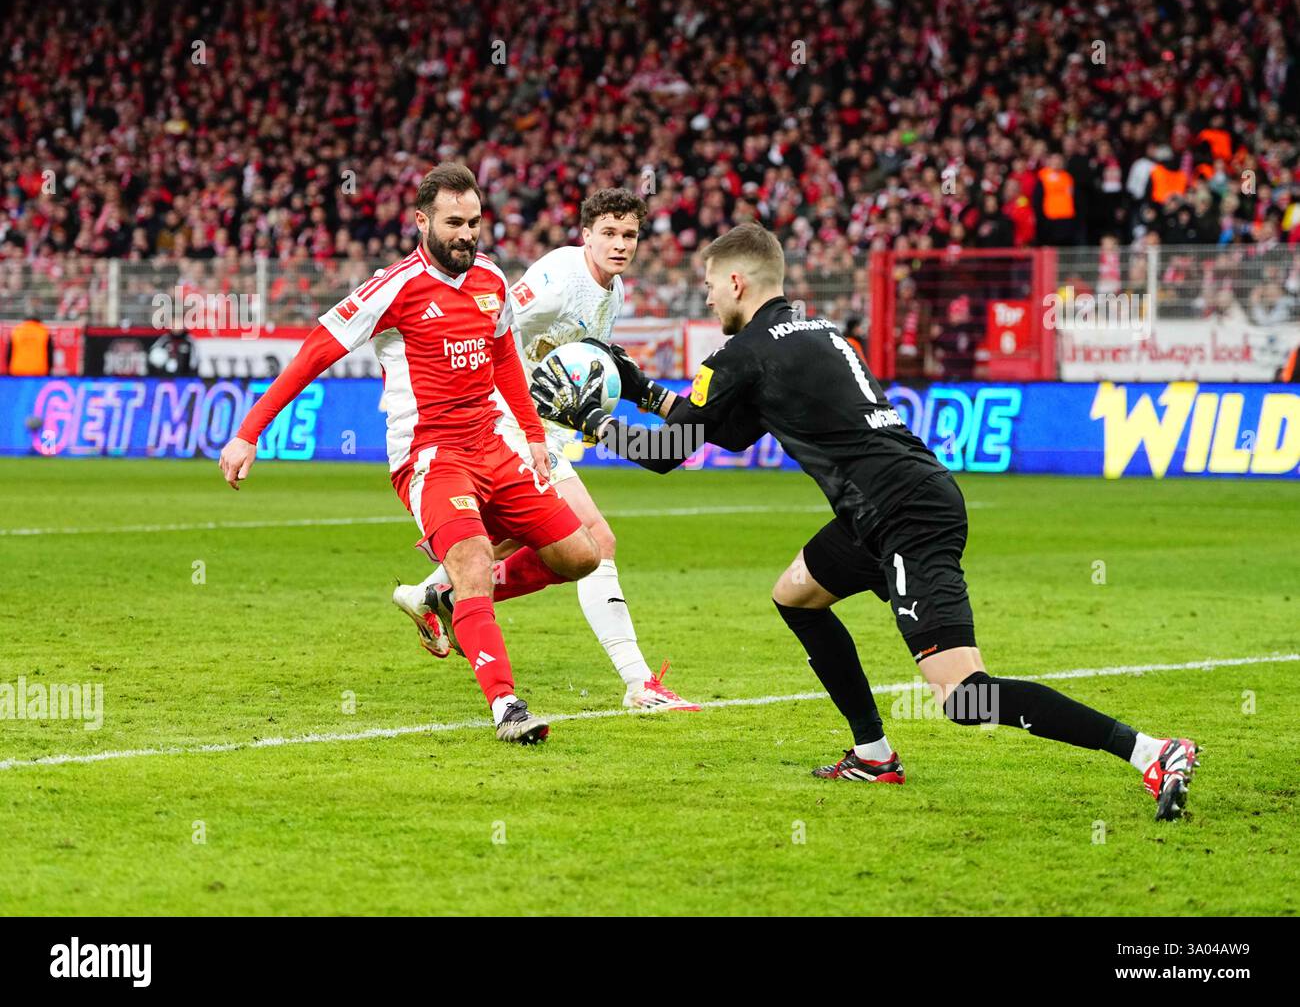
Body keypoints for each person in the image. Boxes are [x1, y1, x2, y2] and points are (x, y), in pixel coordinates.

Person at [532, 223, 1200, 820]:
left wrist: (595, 421)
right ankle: (874, 752)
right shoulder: (818, 333)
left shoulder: (743, 354)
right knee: (795, 593)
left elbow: (667, 454)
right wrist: (647, 390)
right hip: (888, 501)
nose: (706, 298)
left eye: (709, 286)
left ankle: (1151, 749)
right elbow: (728, 433)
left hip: (901, 513)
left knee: (964, 696)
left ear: (736, 281)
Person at [218, 163, 600, 744]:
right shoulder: (393, 287)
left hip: (496, 442)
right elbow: (315, 353)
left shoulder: (492, 281)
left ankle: (443, 597)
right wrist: (249, 432)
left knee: (581, 555)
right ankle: (506, 707)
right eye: (453, 223)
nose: (466, 234)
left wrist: (536, 436)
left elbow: (506, 365)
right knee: (472, 560)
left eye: (474, 222)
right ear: (421, 221)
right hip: (430, 455)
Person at [395, 188, 694, 712]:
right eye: (609, 233)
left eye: (629, 235)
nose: (620, 245)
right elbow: (491, 330)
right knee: (596, 539)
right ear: (585, 235)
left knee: (516, 541)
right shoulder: (558, 279)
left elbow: (585, 363)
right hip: (509, 425)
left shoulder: (614, 291)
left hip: (547, 430)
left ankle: (436, 593)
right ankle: (639, 682)